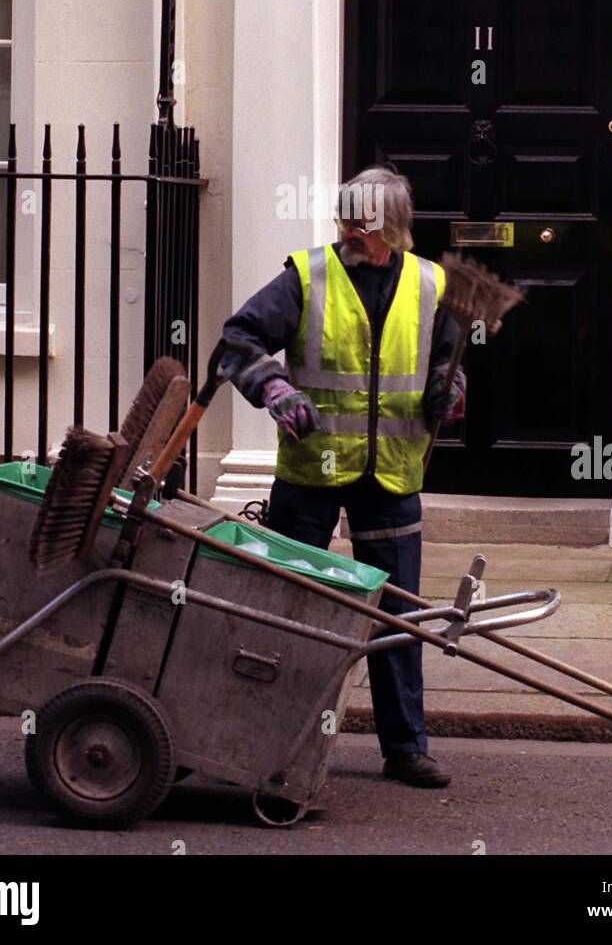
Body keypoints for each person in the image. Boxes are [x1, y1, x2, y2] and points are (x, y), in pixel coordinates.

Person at [221, 166, 465, 788]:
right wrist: (274, 388)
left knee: (396, 617)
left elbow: (444, 363)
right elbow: (238, 341)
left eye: (363, 221)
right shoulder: (307, 276)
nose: (350, 230)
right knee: (290, 609)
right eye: (346, 218)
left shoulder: (432, 284)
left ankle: (406, 747)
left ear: (393, 226)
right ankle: (263, 740)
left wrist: (449, 390)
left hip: (391, 473)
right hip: (312, 469)